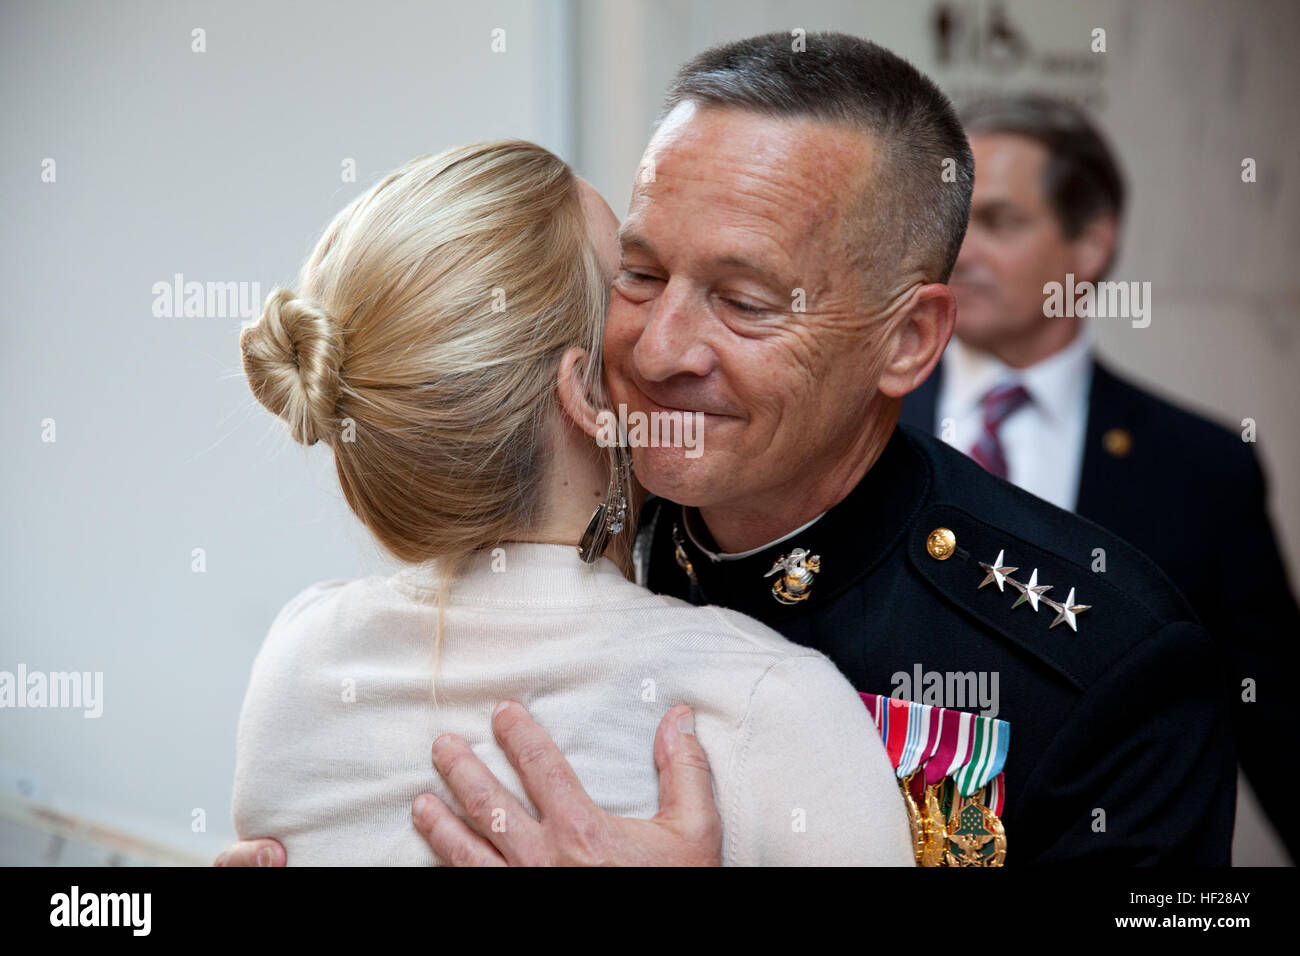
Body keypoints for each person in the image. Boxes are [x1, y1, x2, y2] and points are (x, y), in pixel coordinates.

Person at [220, 32, 1235, 868]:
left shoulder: (1104, 665)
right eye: (639, 274)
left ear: (907, 339)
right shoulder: (558, 518)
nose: (658, 351)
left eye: (745, 303)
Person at [228, 140, 913, 866]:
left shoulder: (296, 655)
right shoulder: (766, 708)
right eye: (636, 282)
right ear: (585, 393)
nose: (664, 344)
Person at [897, 94, 1299, 861]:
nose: (963, 251)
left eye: (1001, 222)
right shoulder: (864, 424)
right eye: (955, 222)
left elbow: (1273, 713)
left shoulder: (1200, 467)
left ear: (1090, 243)